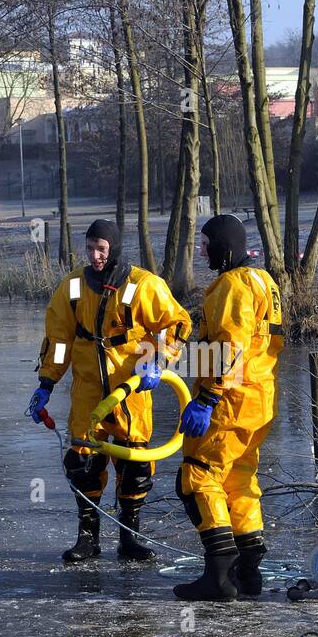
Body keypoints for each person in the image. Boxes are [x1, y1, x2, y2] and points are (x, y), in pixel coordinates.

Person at [30, 219, 192, 562]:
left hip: (130, 389)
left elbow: (177, 324)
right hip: (88, 391)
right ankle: (87, 537)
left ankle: (130, 536)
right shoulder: (73, 287)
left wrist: (156, 359)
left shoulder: (142, 285)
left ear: (114, 248)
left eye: (101, 249)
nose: (94, 256)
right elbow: (60, 341)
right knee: (82, 462)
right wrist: (47, 381)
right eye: (89, 248)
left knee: (134, 466)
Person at [172, 214, 284, 601]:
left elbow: (228, 347)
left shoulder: (231, 285)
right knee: (238, 480)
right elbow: (251, 347)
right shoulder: (264, 281)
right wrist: (165, 360)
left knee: (198, 477)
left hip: (229, 400)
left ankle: (219, 575)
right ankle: (249, 571)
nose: (202, 250)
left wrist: (206, 397)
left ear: (225, 246)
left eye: (206, 244)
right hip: (260, 398)